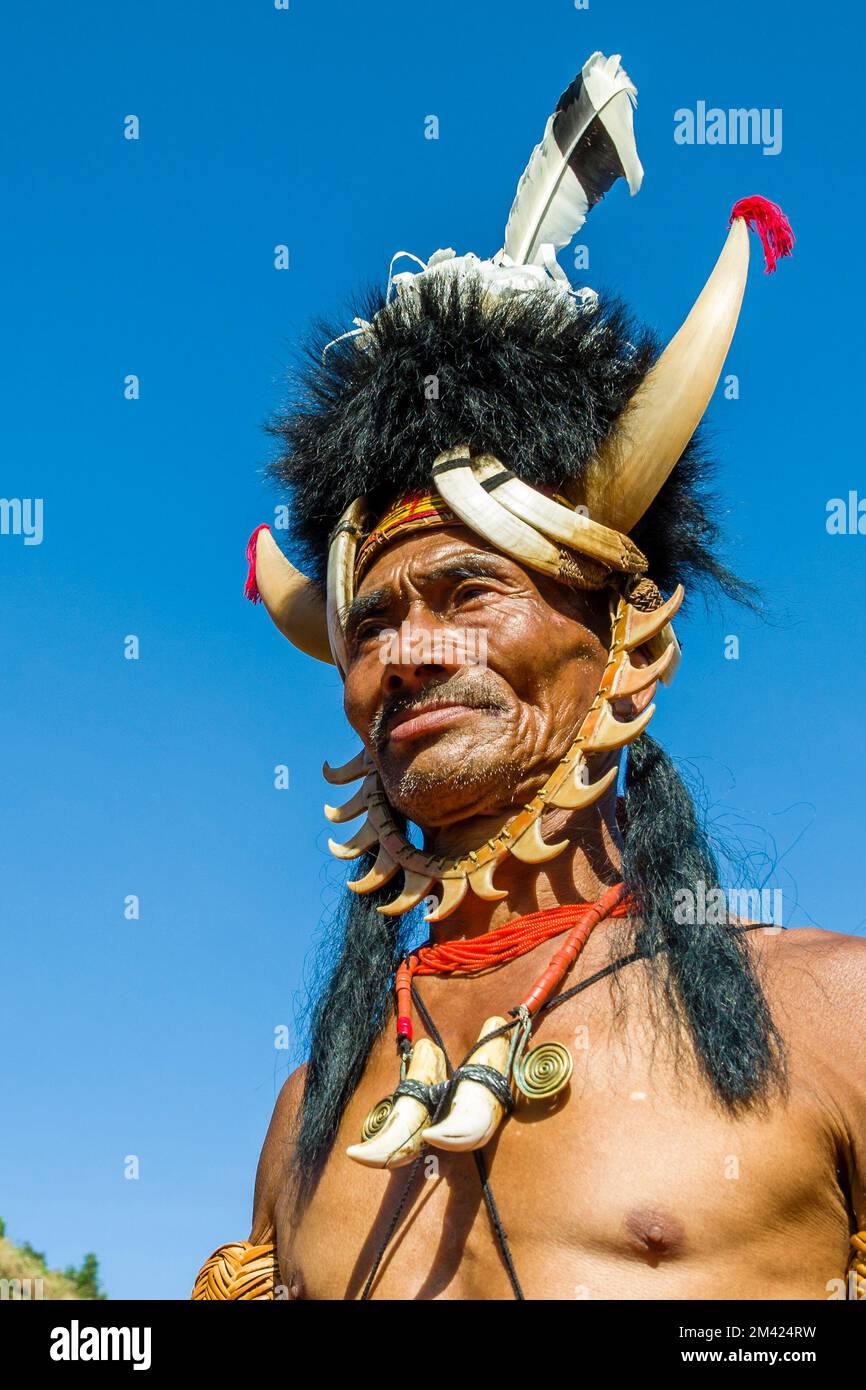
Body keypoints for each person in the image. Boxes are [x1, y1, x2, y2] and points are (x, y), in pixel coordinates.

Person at [191, 52, 866, 1301]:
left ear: (614, 631)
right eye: (374, 619)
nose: (411, 652)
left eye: (468, 593)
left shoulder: (833, 1021)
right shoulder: (307, 1120)